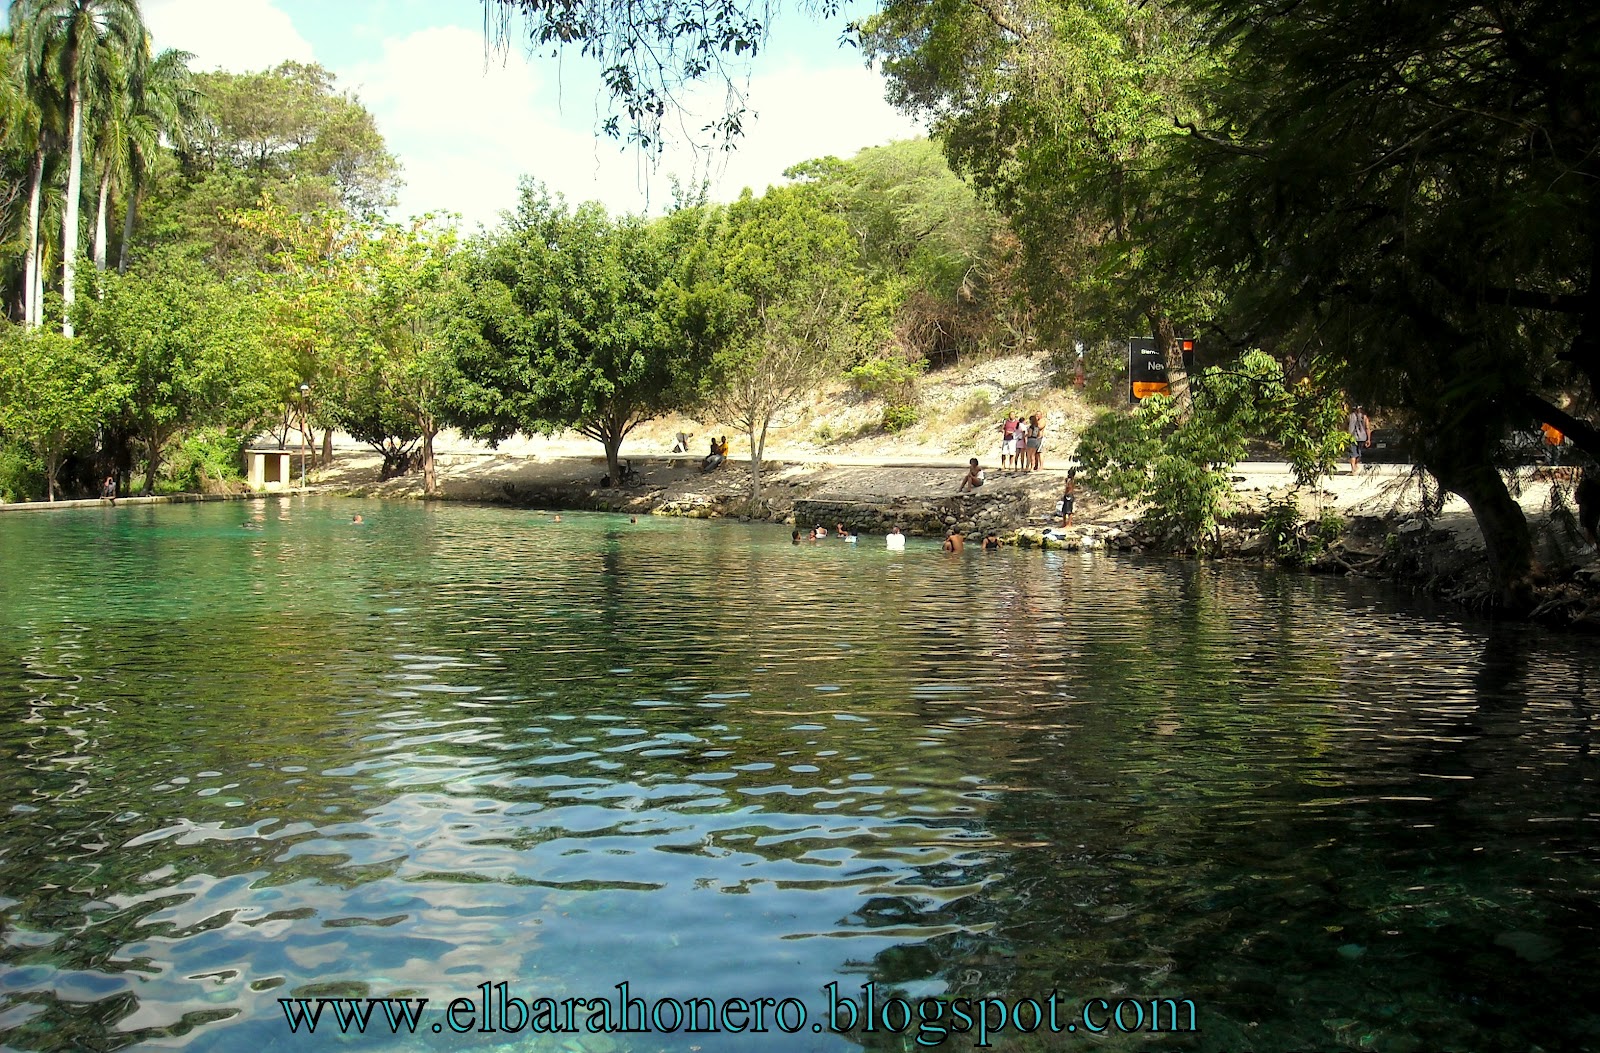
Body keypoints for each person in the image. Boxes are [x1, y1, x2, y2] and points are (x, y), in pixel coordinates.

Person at [1347, 404, 1372, 474]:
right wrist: (1368, 439)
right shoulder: (1364, 417)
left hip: (1352, 437)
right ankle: (1355, 466)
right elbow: (1367, 428)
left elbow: (1346, 426)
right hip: (1362, 438)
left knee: (1352, 453)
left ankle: (1353, 468)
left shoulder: (1350, 416)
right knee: (1358, 453)